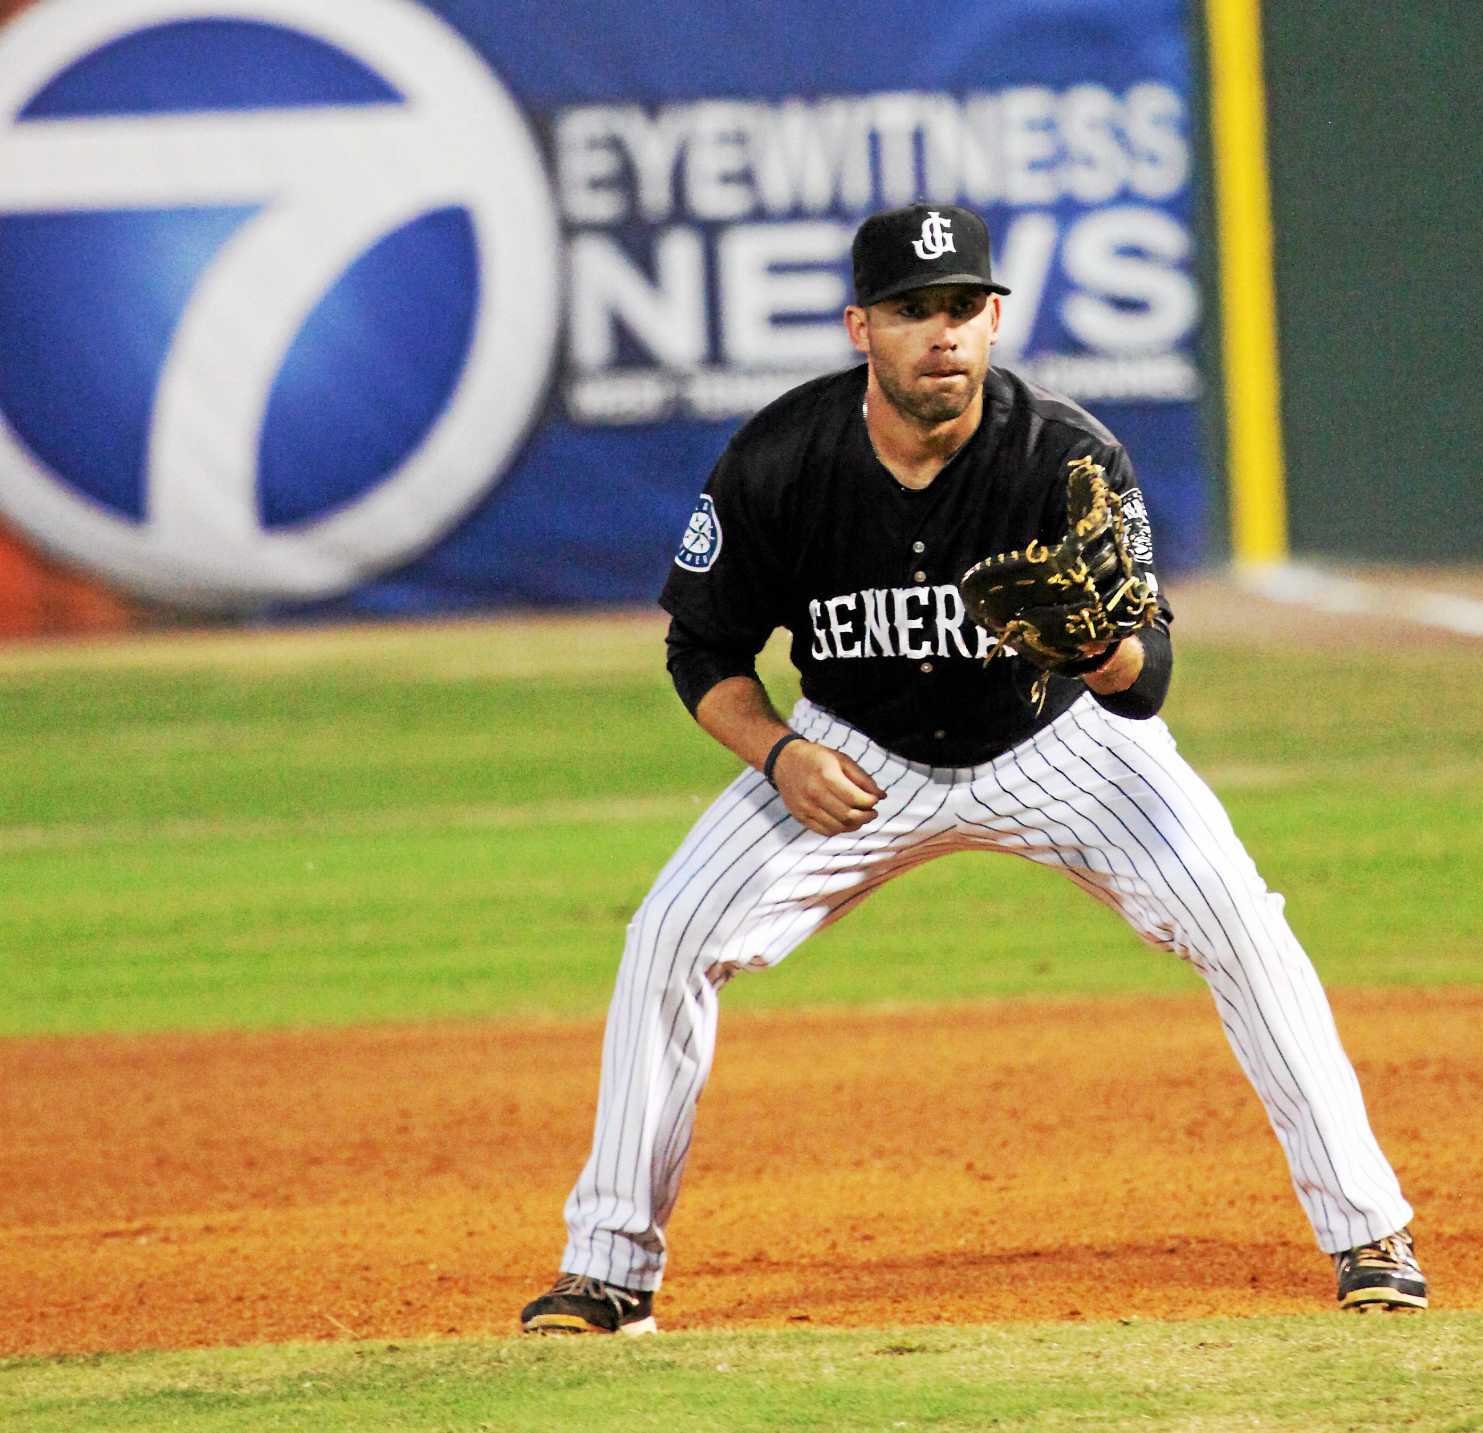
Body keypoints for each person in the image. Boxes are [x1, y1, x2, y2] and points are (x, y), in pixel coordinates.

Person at [516, 203, 1425, 1334]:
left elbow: (1144, 683)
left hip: (1059, 744)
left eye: (962, 307)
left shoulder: (1067, 455)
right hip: (848, 751)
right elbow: (699, 645)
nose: (941, 333)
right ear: (861, 326)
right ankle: (608, 1271)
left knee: (1242, 921)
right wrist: (778, 751)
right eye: (912, 310)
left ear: (994, 318)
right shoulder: (779, 458)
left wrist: (1096, 642)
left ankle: (1369, 1234)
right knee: (667, 935)